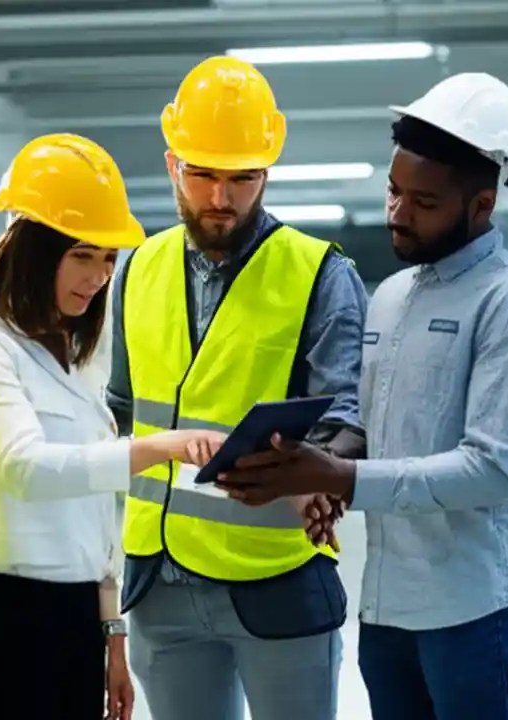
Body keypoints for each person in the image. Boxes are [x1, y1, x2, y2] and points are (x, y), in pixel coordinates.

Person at [215, 72, 508, 720]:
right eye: (392, 190)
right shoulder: (391, 297)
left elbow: (490, 470)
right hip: (387, 613)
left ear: (482, 206)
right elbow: (379, 430)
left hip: (479, 612)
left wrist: (345, 476)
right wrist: (324, 472)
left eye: (424, 202)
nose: (398, 213)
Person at [105, 55, 368, 720]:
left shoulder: (320, 274)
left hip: (273, 577)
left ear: (267, 173)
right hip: (158, 584)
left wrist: (324, 479)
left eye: (241, 179)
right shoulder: (136, 270)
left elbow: (347, 417)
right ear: (172, 164)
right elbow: (118, 417)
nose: (220, 199)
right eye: (202, 175)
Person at [0, 133, 226, 720]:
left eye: (107, 259)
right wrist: (153, 447)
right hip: (3, 617)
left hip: (74, 621)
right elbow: (26, 468)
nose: (98, 277)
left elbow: (93, 522)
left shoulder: (70, 360)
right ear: (35, 250)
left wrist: (112, 634)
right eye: (81, 255)